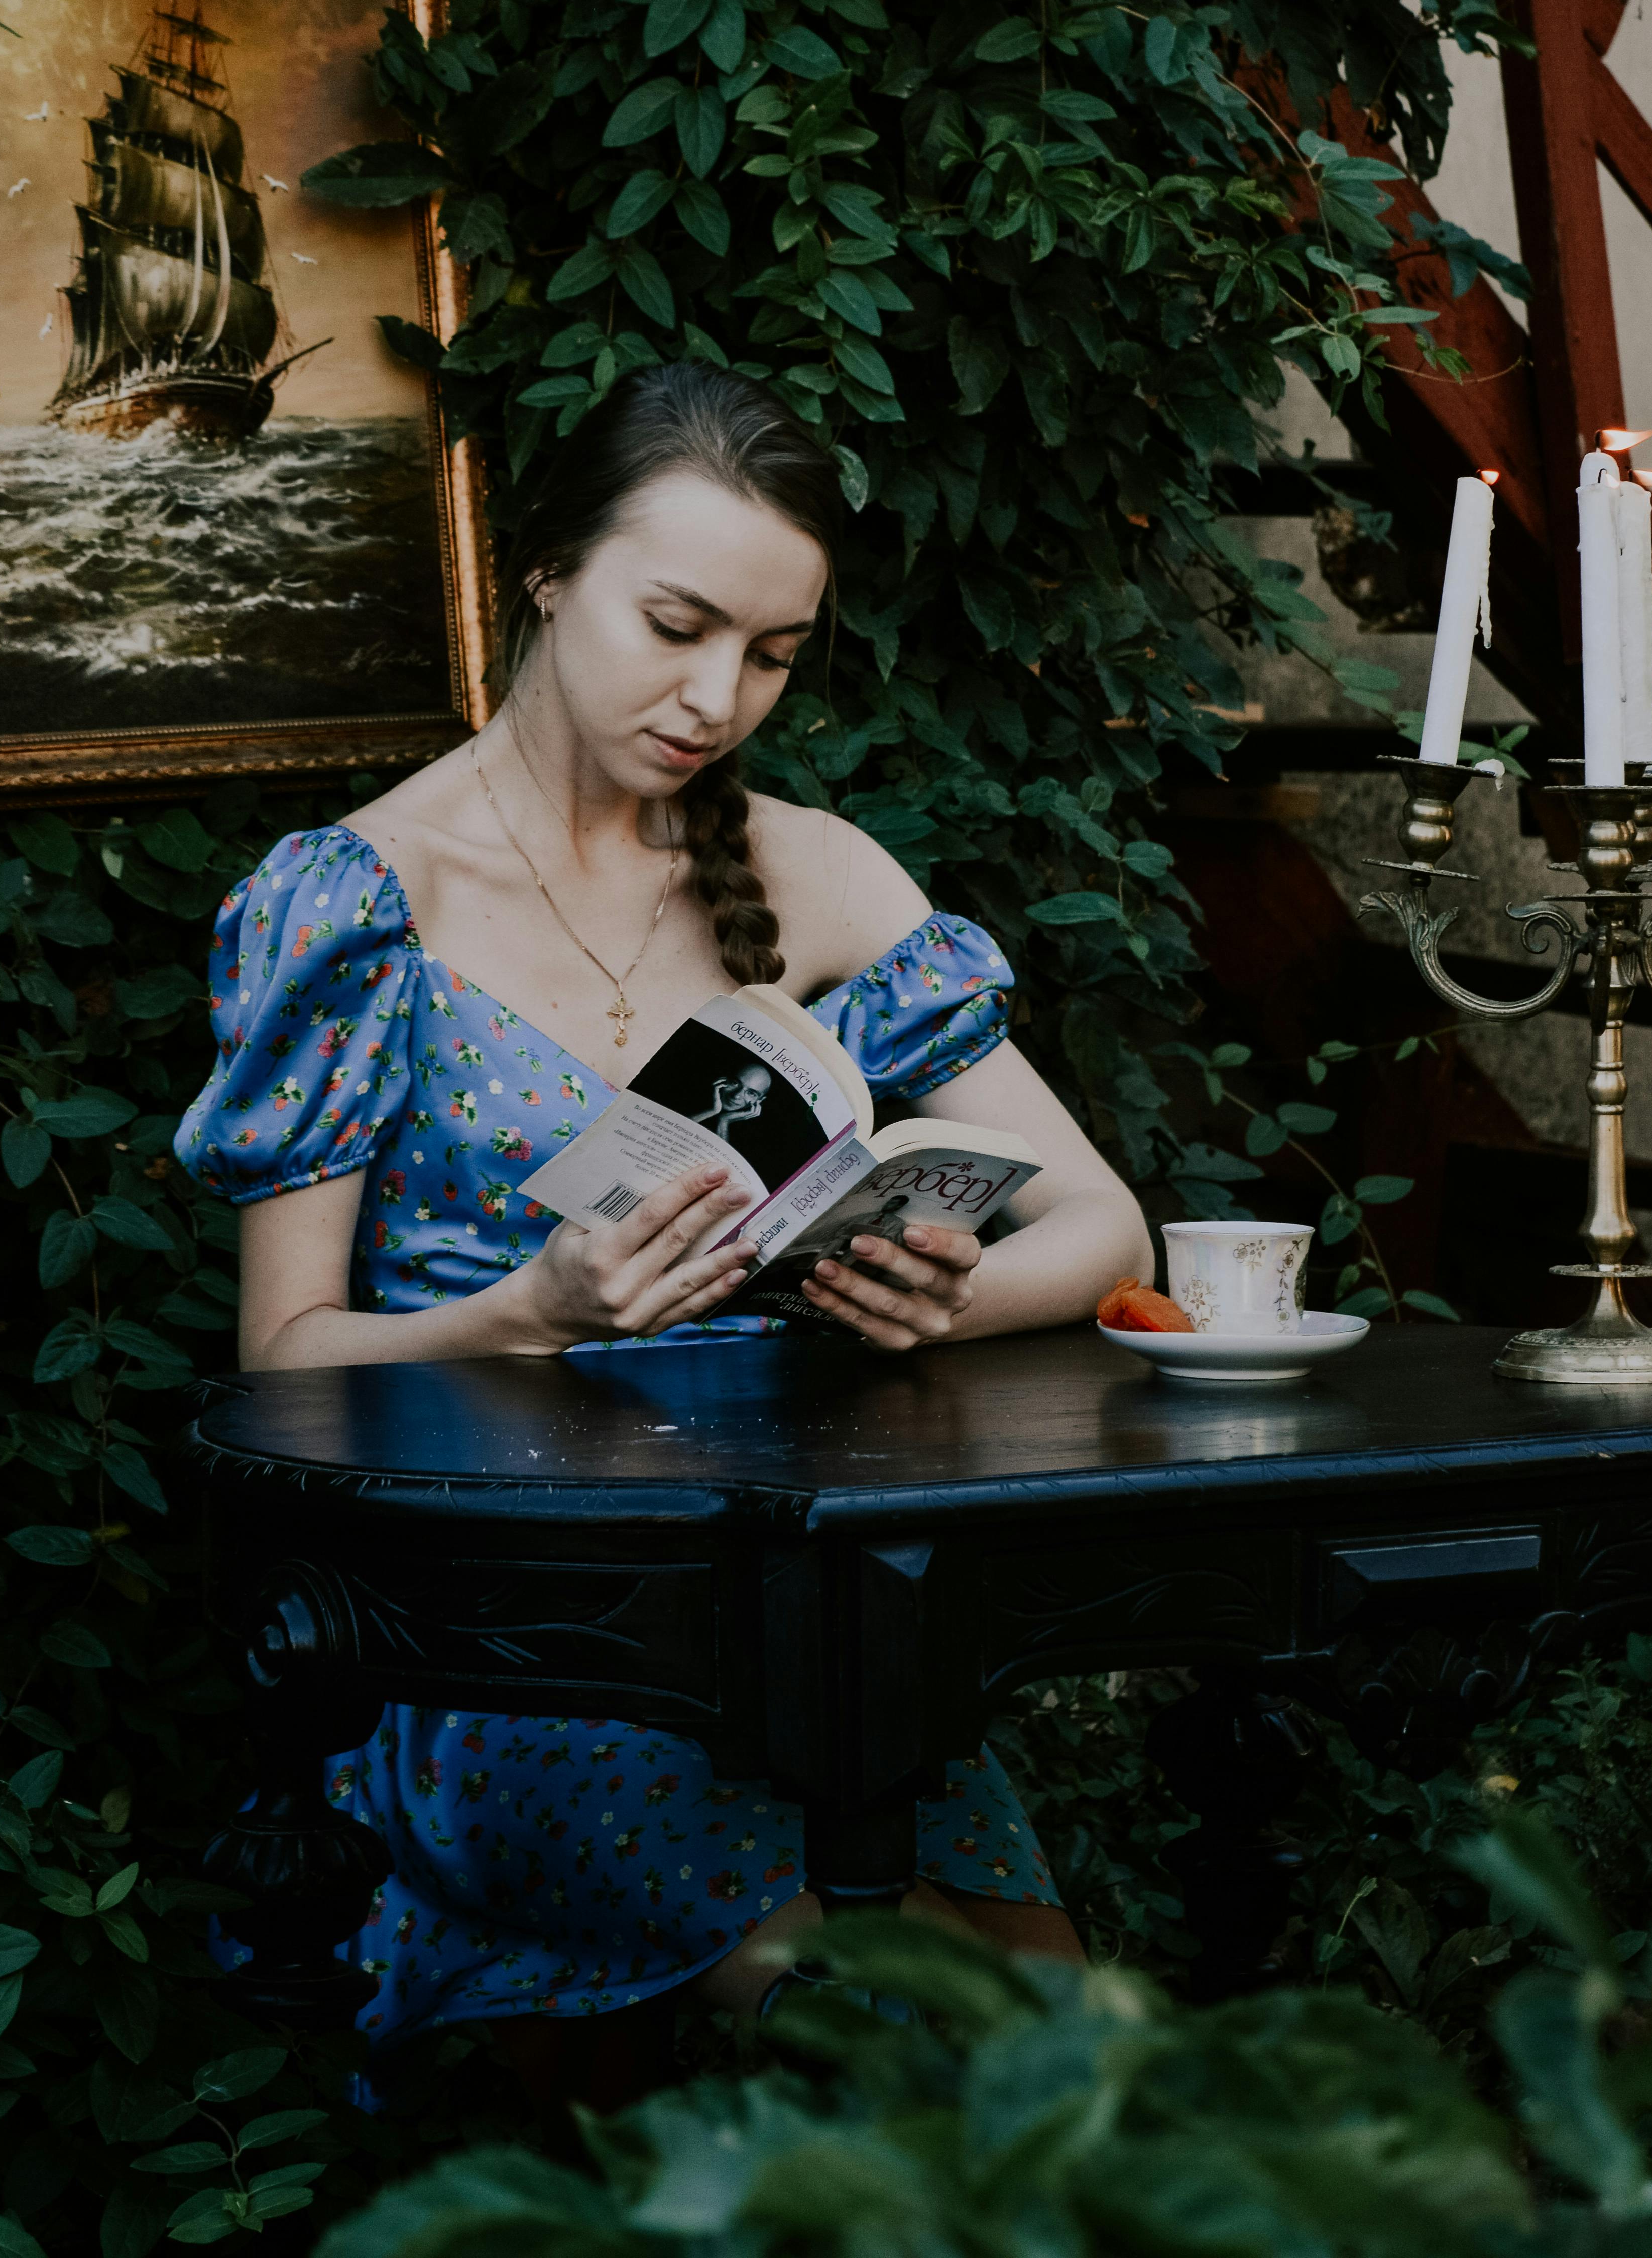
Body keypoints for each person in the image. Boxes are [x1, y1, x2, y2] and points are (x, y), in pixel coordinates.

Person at [175, 361, 1152, 2083]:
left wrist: (946, 1296)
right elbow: (282, 1366)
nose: (718, 698)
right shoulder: (361, 904)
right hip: (519, 1648)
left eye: (772, 656)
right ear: (548, 569)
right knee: (934, 2039)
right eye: (678, 624)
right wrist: (529, 1308)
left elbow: (1107, 1232)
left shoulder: (823, 872)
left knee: (1091, 2039)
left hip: (817, 1620)